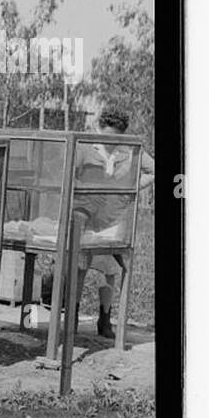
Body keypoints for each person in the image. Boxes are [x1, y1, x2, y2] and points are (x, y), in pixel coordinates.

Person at [74, 106, 155, 337]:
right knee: (79, 266)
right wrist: (86, 190)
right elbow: (69, 174)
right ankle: (73, 319)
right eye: (107, 135)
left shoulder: (130, 151)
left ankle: (105, 320)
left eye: (115, 137)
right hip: (85, 215)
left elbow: (153, 170)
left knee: (108, 269)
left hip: (113, 217)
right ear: (99, 129)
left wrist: (129, 188)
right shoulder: (85, 147)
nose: (110, 142)